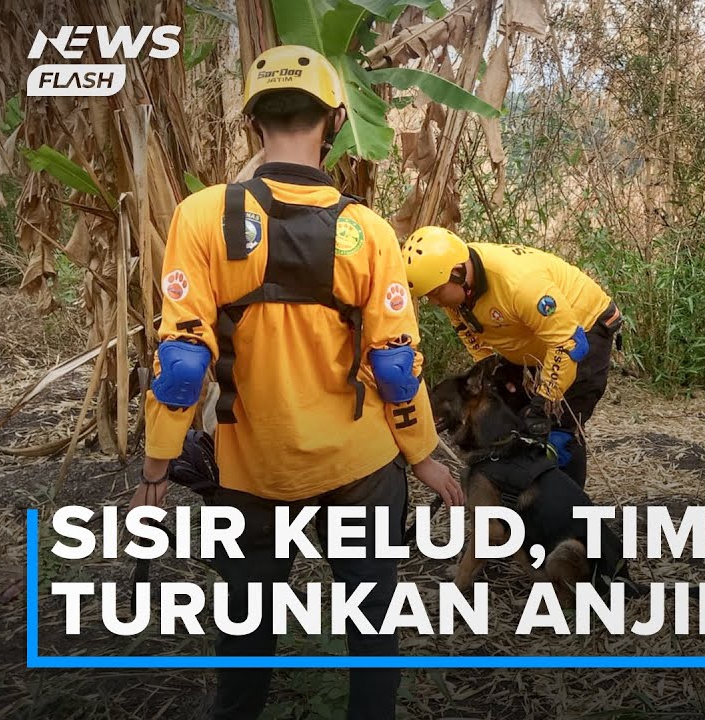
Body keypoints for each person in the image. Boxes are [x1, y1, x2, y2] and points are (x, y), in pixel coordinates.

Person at [133, 45, 464, 720]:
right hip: (360, 466)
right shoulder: (368, 231)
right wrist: (424, 455)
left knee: (246, 640)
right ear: (336, 121)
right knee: (371, 635)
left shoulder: (201, 217)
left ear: (253, 123)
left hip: (252, 470)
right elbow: (396, 367)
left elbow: (185, 361)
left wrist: (156, 465)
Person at [401, 227, 622, 489]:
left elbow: (567, 341)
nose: (435, 302)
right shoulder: (456, 289)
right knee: (514, 414)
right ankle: (519, 489)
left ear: (459, 273)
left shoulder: (519, 283)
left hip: (583, 331)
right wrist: (489, 370)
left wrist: (545, 401)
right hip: (533, 338)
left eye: (436, 293)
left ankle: (567, 505)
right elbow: (469, 329)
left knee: (556, 426)